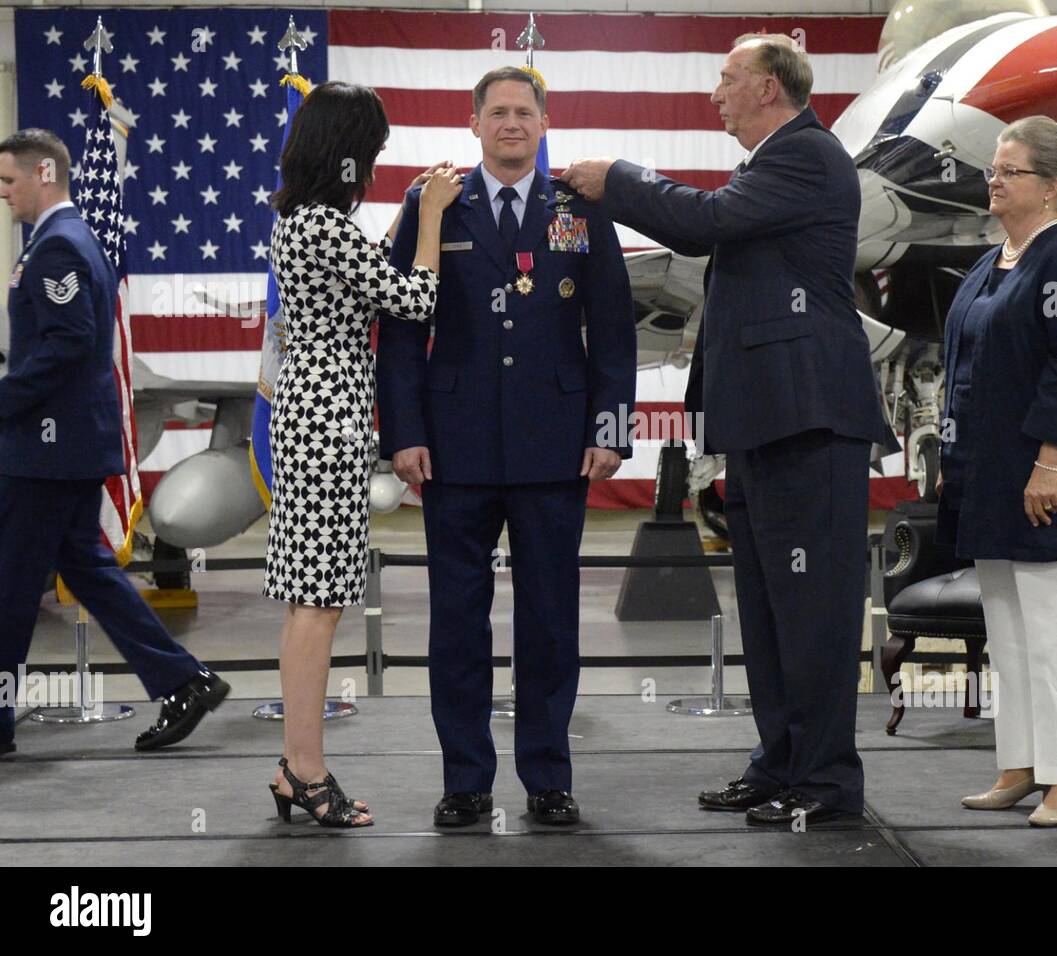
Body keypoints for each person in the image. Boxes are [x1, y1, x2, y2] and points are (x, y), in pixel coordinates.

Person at [563, 35, 897, 826]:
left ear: (772, 89)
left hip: (808, 421)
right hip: (765, 425)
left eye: (728, 78)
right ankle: (780, 761)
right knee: (771, 607)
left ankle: (825, 783)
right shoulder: (774, 164)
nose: (715, 93)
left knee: (811, 611)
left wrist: (619, 180)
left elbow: (701, 223)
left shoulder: (808, 155)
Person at [378, 67, 636, 827]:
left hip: (555, 447)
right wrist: (404, 434)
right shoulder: (432, 205)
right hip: (452, 450)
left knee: (550, 622)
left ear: (545, 122)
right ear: (474, 123)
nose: (512, 124)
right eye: (499, 113)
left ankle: (548, 777)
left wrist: (611, 429)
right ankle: (466, 781)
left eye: (525, 112)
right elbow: (399, 329)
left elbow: (614, 328)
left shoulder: (579, 209)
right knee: (457, 622)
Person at [263, 82, 461, 827]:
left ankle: (296, 765)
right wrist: (433, 214)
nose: (375, 164)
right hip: (330, 414)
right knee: (319, 602)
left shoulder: (301, 219)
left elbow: (367, 277)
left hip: (308, 409)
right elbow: (414, 298)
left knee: (309, 600)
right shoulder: (323, 222)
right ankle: (306, 770)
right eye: (371, 150)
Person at [0, 128, 228, 757]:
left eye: (9, 181)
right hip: (63, 445)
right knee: (89, 571)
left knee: (10, 585)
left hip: (47, 449)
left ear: (44, 172)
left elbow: (67, 344)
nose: (4, 194)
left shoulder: (57, 248)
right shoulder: (67, 240)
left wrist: (5, 399)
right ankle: (184, 680)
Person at [936, 115, 1057, 826]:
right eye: (994, 168)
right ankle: (1022, 761)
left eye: (1009, 170)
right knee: (1008, 631)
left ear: (1051, 188)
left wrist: (1050, 463)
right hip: (988, 477)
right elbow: (966, 372)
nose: (993, 179)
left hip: (1051, 479)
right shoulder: (993, 263)